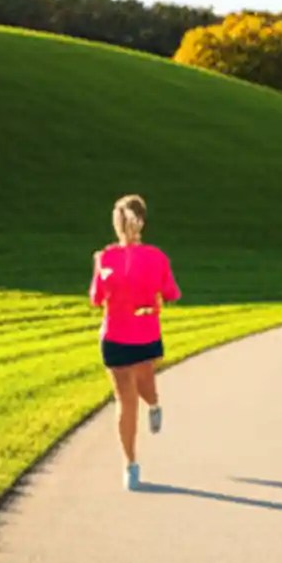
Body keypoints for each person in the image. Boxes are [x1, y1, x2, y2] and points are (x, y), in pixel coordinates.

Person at [90, 194, 182, 490]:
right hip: (126, 335)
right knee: (130, 396)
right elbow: (170, 293)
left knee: (138, 391)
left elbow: (96, 298)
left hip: (131, 335)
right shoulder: (115, 257)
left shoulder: (118, 258)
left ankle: (151, 412)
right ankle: (131, 462)